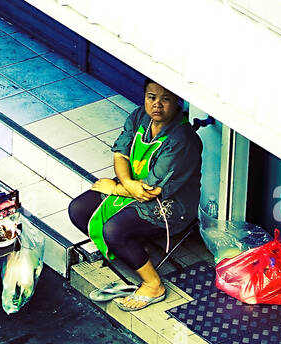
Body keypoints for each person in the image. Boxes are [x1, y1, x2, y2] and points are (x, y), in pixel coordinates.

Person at [67, 79, 201, 311]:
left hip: (169, 204)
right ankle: (135, 250)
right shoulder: (140, 117)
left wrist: (116, 188)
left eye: (165, 99)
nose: (157, 105)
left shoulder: (182, 139)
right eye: (151, 97)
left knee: (114, 229)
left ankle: (152, 284)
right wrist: (127, 182)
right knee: (78, 210)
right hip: (133, 188)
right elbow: (121, 154)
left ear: (177, 103)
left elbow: (151, 191)